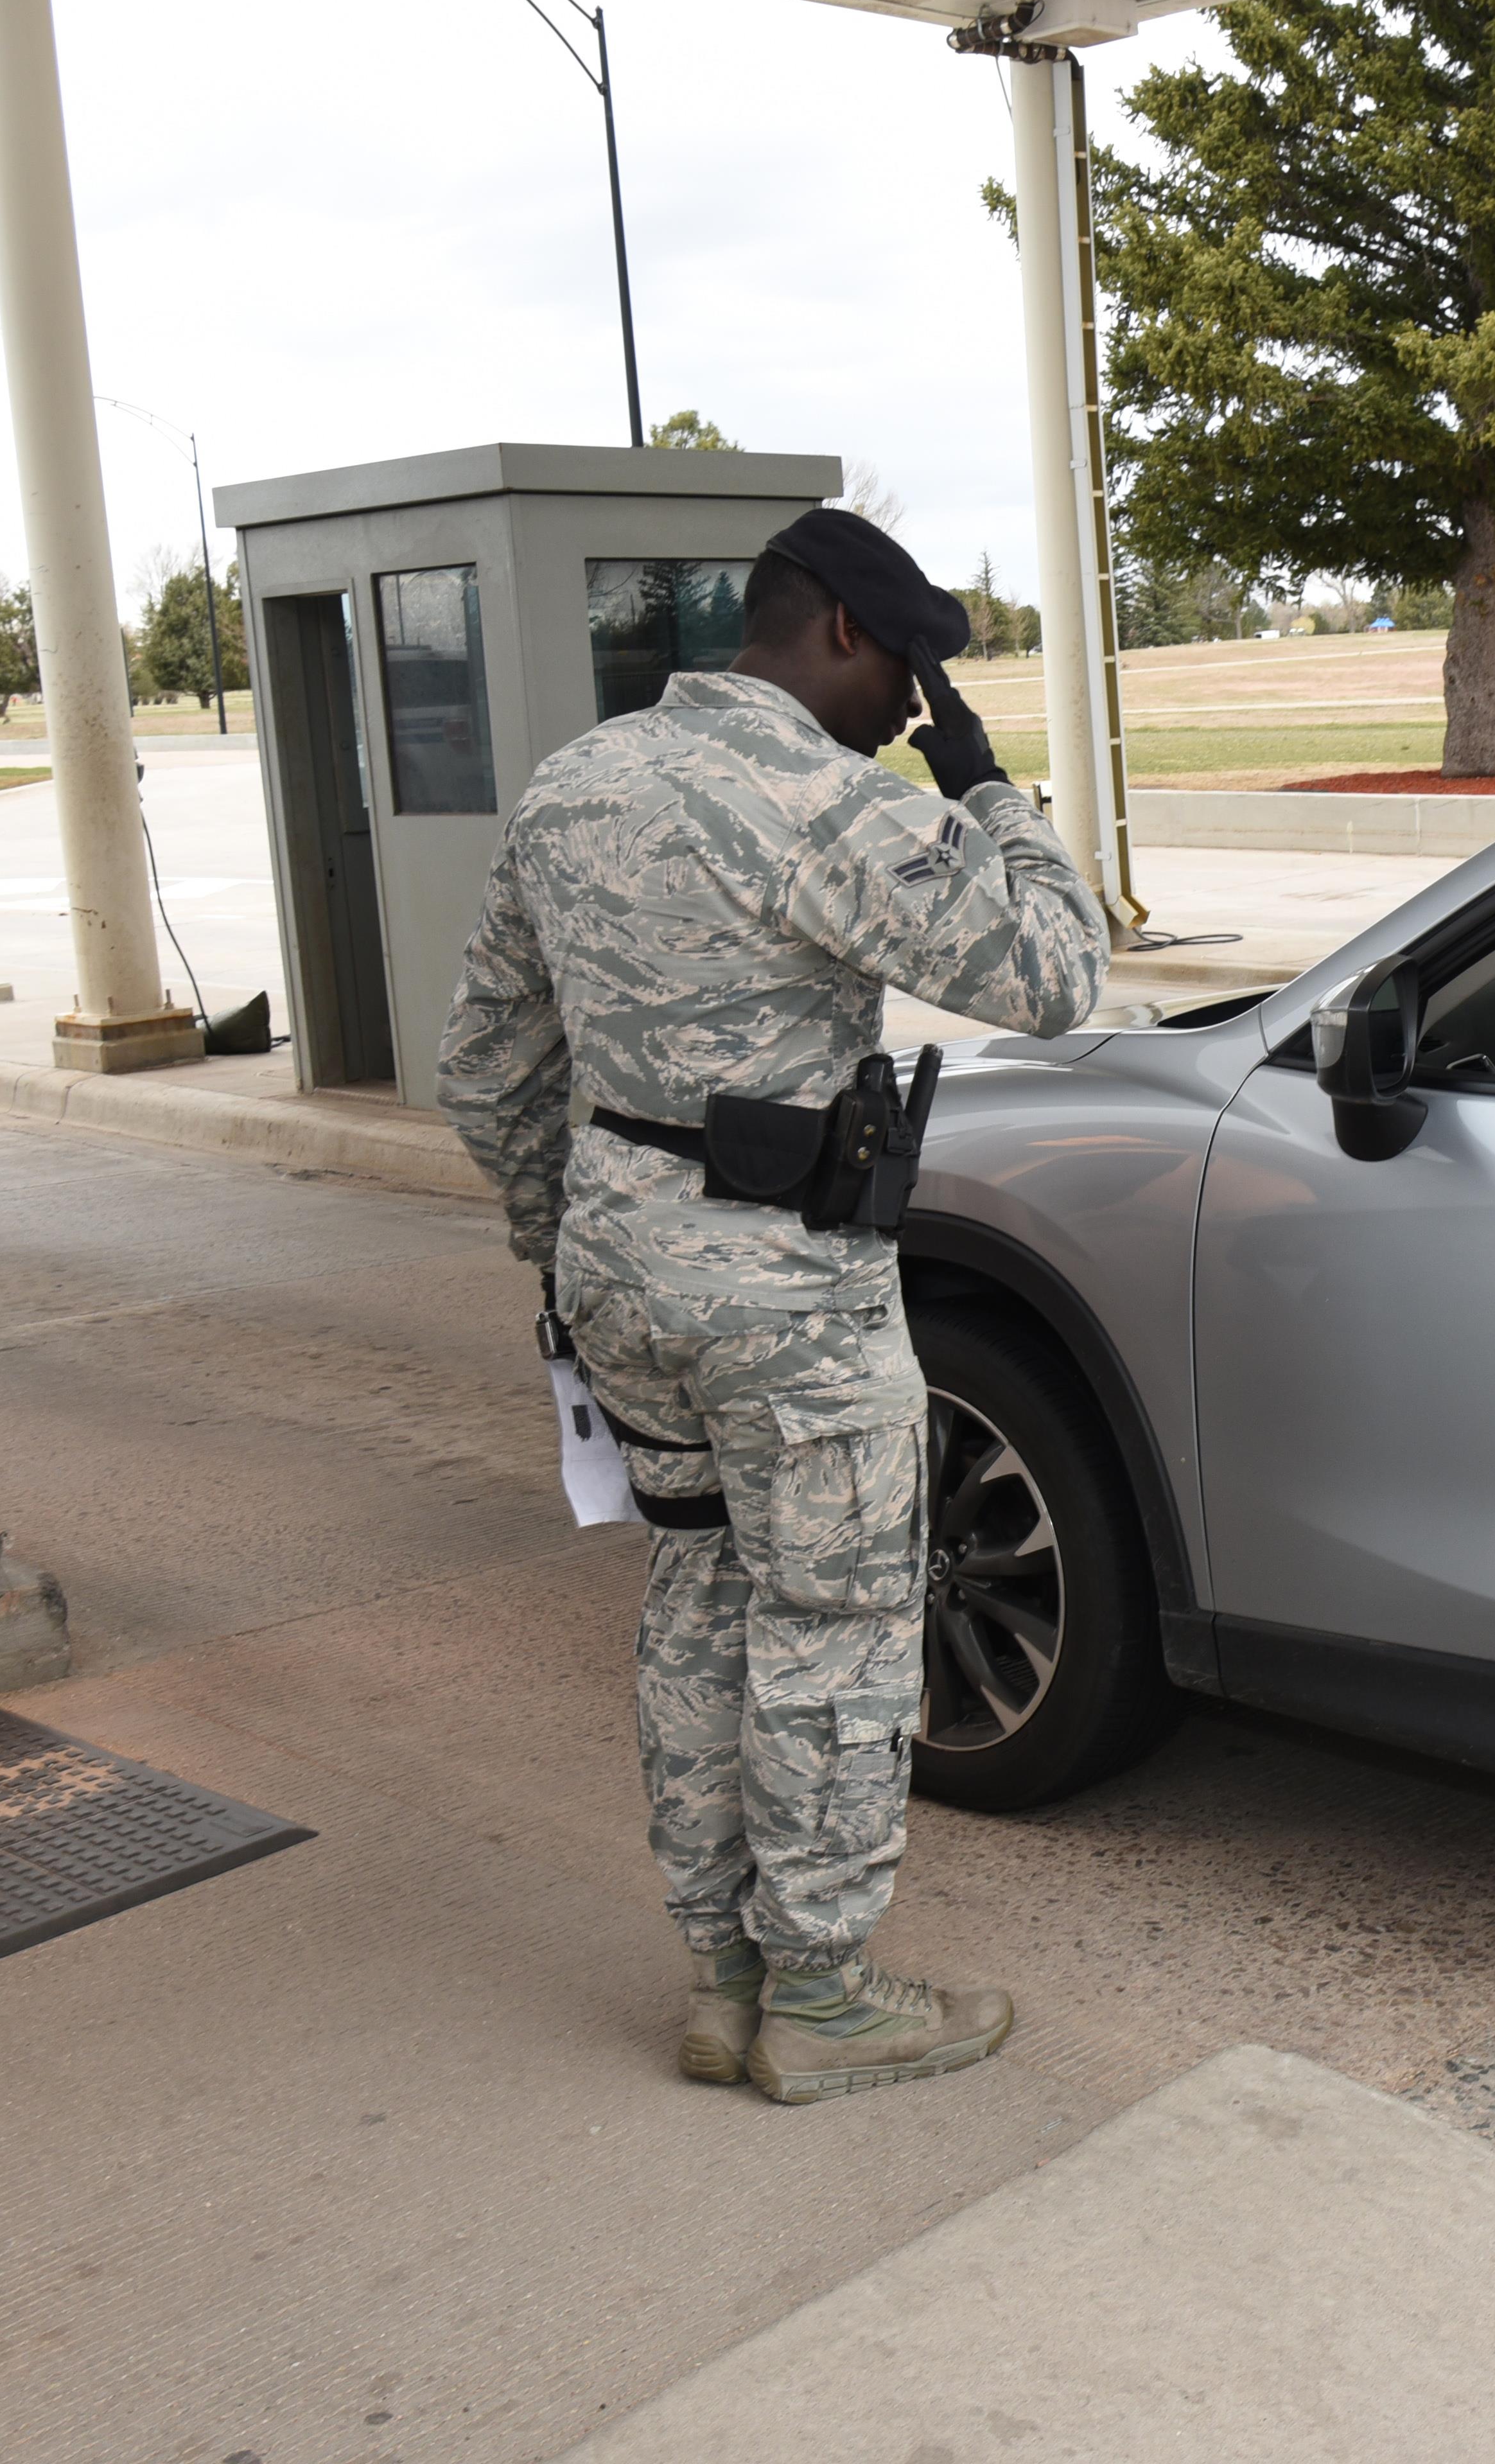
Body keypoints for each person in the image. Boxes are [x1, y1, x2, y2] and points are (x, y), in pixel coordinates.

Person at [435, 509, 1106, 2105]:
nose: (914, 704)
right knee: (835, 1624)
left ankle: (720, 1981)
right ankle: (820, 1993)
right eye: (913, 671)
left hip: (623, 1268)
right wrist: (989, 790)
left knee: (700, 1602)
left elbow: (485, 1068)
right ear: (845, 640)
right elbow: (1060, 972)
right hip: (787, 1297)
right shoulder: (827, 803)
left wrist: (575, 1242)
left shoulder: (574, 782)